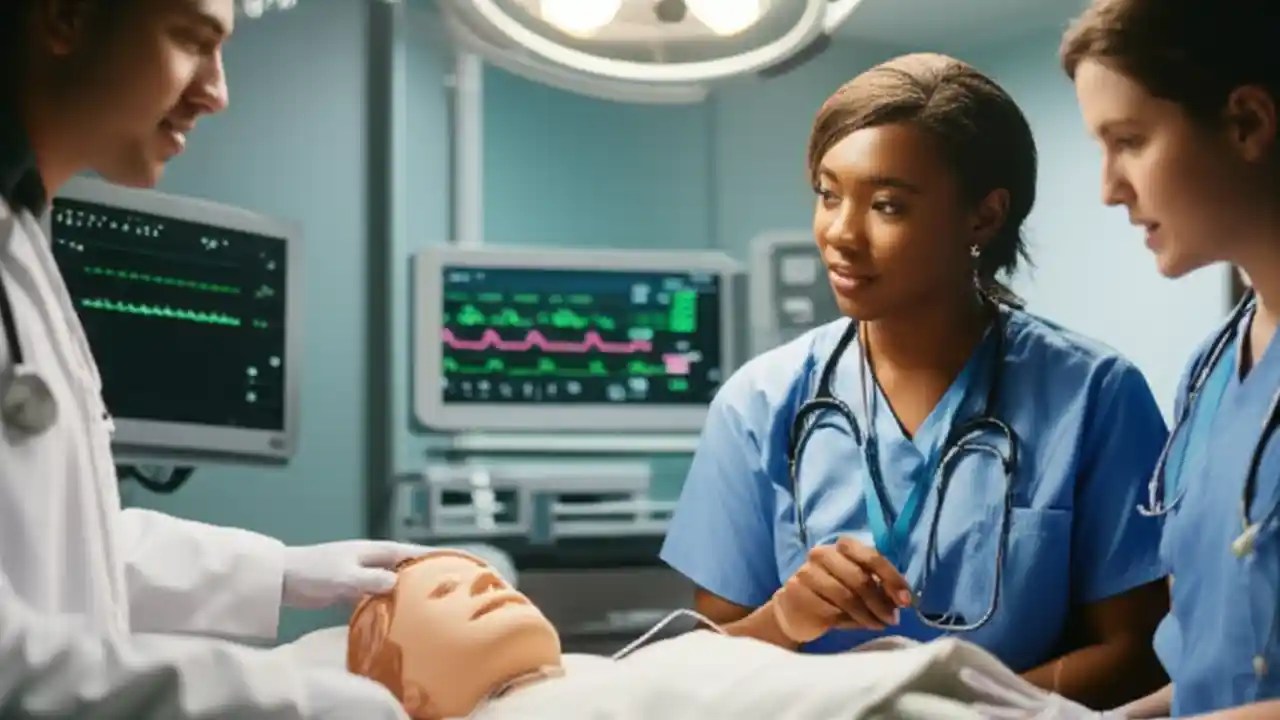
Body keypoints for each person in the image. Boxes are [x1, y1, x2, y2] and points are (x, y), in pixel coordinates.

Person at [659, 52, 1171, 709]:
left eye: (888, 206)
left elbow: (1136, 654)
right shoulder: (761, 403)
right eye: (827, 194)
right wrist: (786, 618)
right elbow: (712, 657)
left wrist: (939, 707)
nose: (841, 234)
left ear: (983, 218)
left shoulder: (1095, 395)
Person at [0, 0, 430, 716]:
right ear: (65, 16)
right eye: (193, 41)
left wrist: (277, 571)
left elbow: (57, 550)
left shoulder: (22, 240)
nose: (217, 92)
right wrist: (298, 706)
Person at [1062, 0, 1280, 717]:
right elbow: (1210, 667)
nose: (1109, 188)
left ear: (1245, 123)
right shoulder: (1209, 373)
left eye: (1129, 140)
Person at [344, 548, 1073, 720]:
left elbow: (705, 669)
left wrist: (785, 620)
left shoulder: (599, 674)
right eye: (445, 591)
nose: (484, 582)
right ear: (409, 693)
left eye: (493, 580)